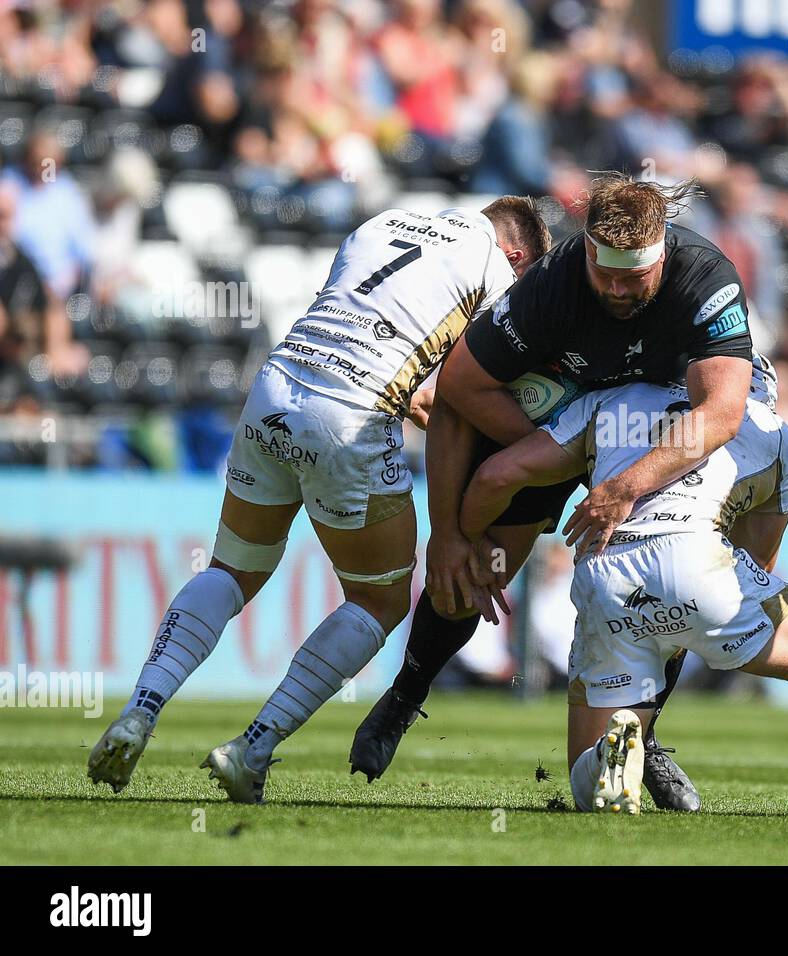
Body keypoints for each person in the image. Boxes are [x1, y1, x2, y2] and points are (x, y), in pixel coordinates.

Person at [86, 199, 549, 803]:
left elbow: (363, 321)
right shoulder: (493, 266)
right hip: (351, 416)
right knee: (379, 600)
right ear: (517, 255)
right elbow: (463, 392)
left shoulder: (385, 220)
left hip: (277, 384)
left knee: (231, 571)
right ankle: (252, 747)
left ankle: (139, 711)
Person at [349, 173, 761, 813]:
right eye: (608, 278)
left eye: (636, 279)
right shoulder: (553, 284)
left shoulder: (705, 279)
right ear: (589, 252)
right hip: (561, 423)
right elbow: (459, 391)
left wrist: (621, 482)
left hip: (651, 439)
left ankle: (643, 738)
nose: (620, 292)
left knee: (672, 573)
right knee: (477, 566)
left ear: (660, 253)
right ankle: (405, 694)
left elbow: (722, 413)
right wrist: (453, 533)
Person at [459, 377, 788, 820]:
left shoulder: (609, 398)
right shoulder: (770, 429)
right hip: (697, 567)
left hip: (605, 573)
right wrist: (691, 624)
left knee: (587, 781)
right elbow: (760, 559)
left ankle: (612, 752)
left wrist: (468, 548)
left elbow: (499, 473)